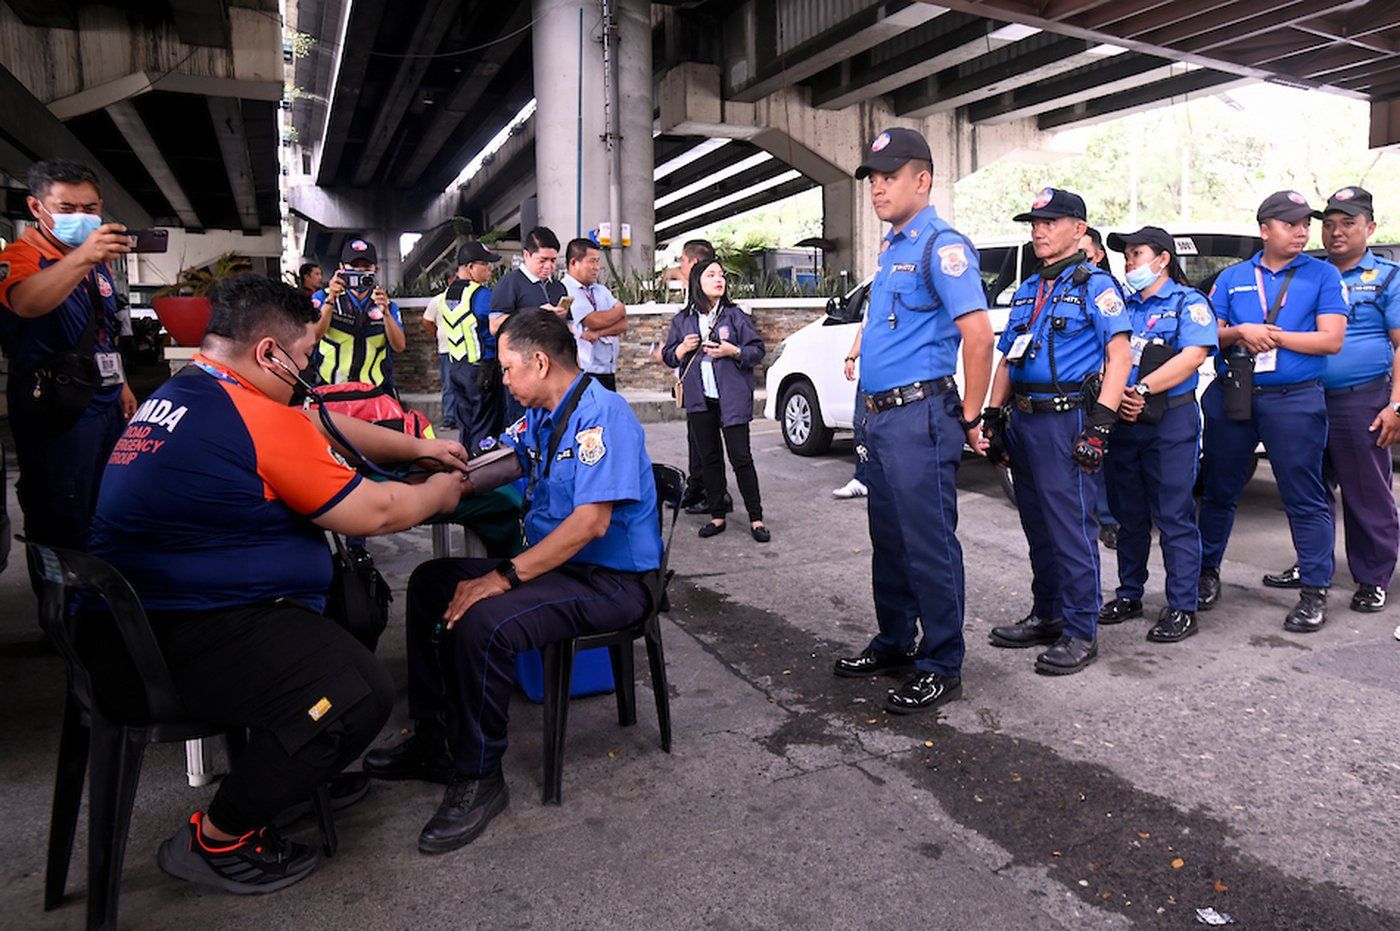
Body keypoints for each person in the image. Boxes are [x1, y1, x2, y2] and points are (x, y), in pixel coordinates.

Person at [86, 274, 469, 894]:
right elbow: (374, 513)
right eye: (303, 360)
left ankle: (292, 771)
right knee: (356, 692)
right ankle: (218, 837)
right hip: (171, 643)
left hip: (131, 627)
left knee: (338, 630)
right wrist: (437, 490)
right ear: (268, 353)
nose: (307, 373)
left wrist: (415, 447)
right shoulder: (256, 417)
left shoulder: (188, 390)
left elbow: (319, 422)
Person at [363, 309, 662, 854]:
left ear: (540, 362)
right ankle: (437, 739)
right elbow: (507, 458)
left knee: (485, 619)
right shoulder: (546, 414)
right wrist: (435, 478)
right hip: (562, 568)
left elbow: (590, 523)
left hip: (611, 581)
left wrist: (503, 575)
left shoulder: (604, 415)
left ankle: (480, 777)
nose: (501, 379)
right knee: (433, 582)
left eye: (506, 368)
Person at [829, 127, 994, 713]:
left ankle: (942, 660)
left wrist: (971, 415)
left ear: (922, 180)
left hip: (919, 414)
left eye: (888, 177)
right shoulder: (894, 246)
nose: (877, 188)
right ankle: (897, 640)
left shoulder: (941, 246)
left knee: (927, 542)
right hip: (879, 419)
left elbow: (978, 337)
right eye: (873, 178)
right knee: (889, 539)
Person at [984, 188, 1133, 675]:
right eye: (1034, 223)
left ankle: (1081, 629)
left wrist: (1100, 426)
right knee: (1037, 526)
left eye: (1050, 222)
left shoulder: (1097, 286)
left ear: (1079, 230)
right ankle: (1047, 613)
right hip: (1024, 420)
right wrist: (993, 415)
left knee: (1071, 527)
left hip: (1067, 420)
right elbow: (1009, 355)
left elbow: (1119, 356)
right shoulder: (1029, 289)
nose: (1039, 231)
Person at [1198, 190, 1347, 632]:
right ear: (1265, 230)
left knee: (1304, 495)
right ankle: (1206, 573)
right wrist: (1241, 331)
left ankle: (1314, 589)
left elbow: (1331, 340)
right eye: (1291, 223)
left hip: (1294, 399)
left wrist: (1274, 337)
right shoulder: (1232, 277)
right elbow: (1209, 333)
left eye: (1306, 223)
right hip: (1235, 393)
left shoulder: (1321, 275)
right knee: (1220, 490)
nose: (1303, 231)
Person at [1261, 187, 1400, 613]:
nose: (1336, 233)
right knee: (1306, 489)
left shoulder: (1388, 278)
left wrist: (1395, 406)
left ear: (1370, 228)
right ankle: (1312, 565)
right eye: (1329, 224)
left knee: (1366, 491)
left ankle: (1373, 577)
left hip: (1359, 401)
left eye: (1349, 223)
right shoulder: (1306, 273)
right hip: (1304, 398)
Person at [0, 158, 136, 583]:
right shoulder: (21, 257)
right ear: (37, 208)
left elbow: (104, 329)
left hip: (104, 405)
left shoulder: (96, 263)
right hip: (55, 413)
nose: (82, 218)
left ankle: (102, 601)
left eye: (90, 208)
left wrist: (123, 385)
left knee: (106, 505)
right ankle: (63, 617)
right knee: (59, 513)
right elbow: (27, 303)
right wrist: (84, 256)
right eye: (67, 208)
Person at [1100, 227, 1218, 642]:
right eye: (1127, 255)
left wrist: (1143, 388)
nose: (1129, 262)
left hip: (1170, 423)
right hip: (1124, 423)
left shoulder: (1188, 302)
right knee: (1128, 517)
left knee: (1173, 516)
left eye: (1137, 253)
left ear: (1162, 259)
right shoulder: (1121, 306)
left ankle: (1182, 606)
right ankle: (1129, 594)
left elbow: (1193, 355)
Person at [662, 260, 770, 542]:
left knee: (741, 457)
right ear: (697, 281)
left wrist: (733, 351)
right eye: (711, 275)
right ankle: (717, 515)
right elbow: (668, 355)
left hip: (732, 400)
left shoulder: (735, 315)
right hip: (700, 400)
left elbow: (757, 351)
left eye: (721, 275)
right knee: (709, 459)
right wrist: (682, 348)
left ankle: (756, 518)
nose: (719, 279)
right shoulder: (682, 319)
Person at [423, 241, 502, 447]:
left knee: (465, 426)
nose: (489, 269)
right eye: (485, 264)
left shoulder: (446, 295)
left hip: (456, 367)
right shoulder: (481, 294)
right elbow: (497, 325)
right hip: (482, 370)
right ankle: (483, 471)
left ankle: (465, 465)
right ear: (470, 267)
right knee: (485, 430)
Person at [673, 239, 732, 516]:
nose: (680, 267)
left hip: (714, 385)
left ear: (694, 264)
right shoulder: (691, 300)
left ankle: (715, 493)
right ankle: (698, 487)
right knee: (697, 439)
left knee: (708, 442)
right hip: (694, 383)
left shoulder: (720, 307)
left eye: (682, 262)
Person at [488, 226, 566, 424]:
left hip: (553, 369)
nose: (548, 266)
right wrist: (536, 313)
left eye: (553, 260)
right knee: (522, 426)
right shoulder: (510, 283)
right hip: (522, 369)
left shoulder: (558, 287)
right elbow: (495, 325)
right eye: (542, 260)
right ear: (526, 255)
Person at [312, 237, 406, 394]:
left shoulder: (386, 304)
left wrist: (386, 314)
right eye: (354, 265)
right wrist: (331, 300)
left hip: (373, 392)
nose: (360, 270)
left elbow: (399, 346)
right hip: (330, 390)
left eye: (366, 265)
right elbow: (313, 337)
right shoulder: (321, 298)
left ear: (376, 269)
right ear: (341, 268)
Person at [1080, 225, 1121, 548]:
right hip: (1069, 394)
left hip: (1102, 388)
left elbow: (1117, 350)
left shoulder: (1106, 289)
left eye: (1085, 255)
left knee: (1103, 456)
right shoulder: (1046, 288)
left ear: (1099, 255)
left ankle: (1108, 520)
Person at [562, 237, 628, 390]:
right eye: (592, 261)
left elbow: (624, 322)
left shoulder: (600, 290)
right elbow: (593, 321)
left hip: (608, 369)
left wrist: (598, 334)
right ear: (574, 263)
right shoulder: (566, 289)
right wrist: (617, 312)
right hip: (585, 370)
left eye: (598, 261)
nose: (596, 267)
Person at [832, 324, 869, 499]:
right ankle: (862, 479)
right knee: (860, 425)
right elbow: (864, 329)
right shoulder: (874, 300)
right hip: (870, 376)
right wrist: (851, 357)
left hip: (896, 376)